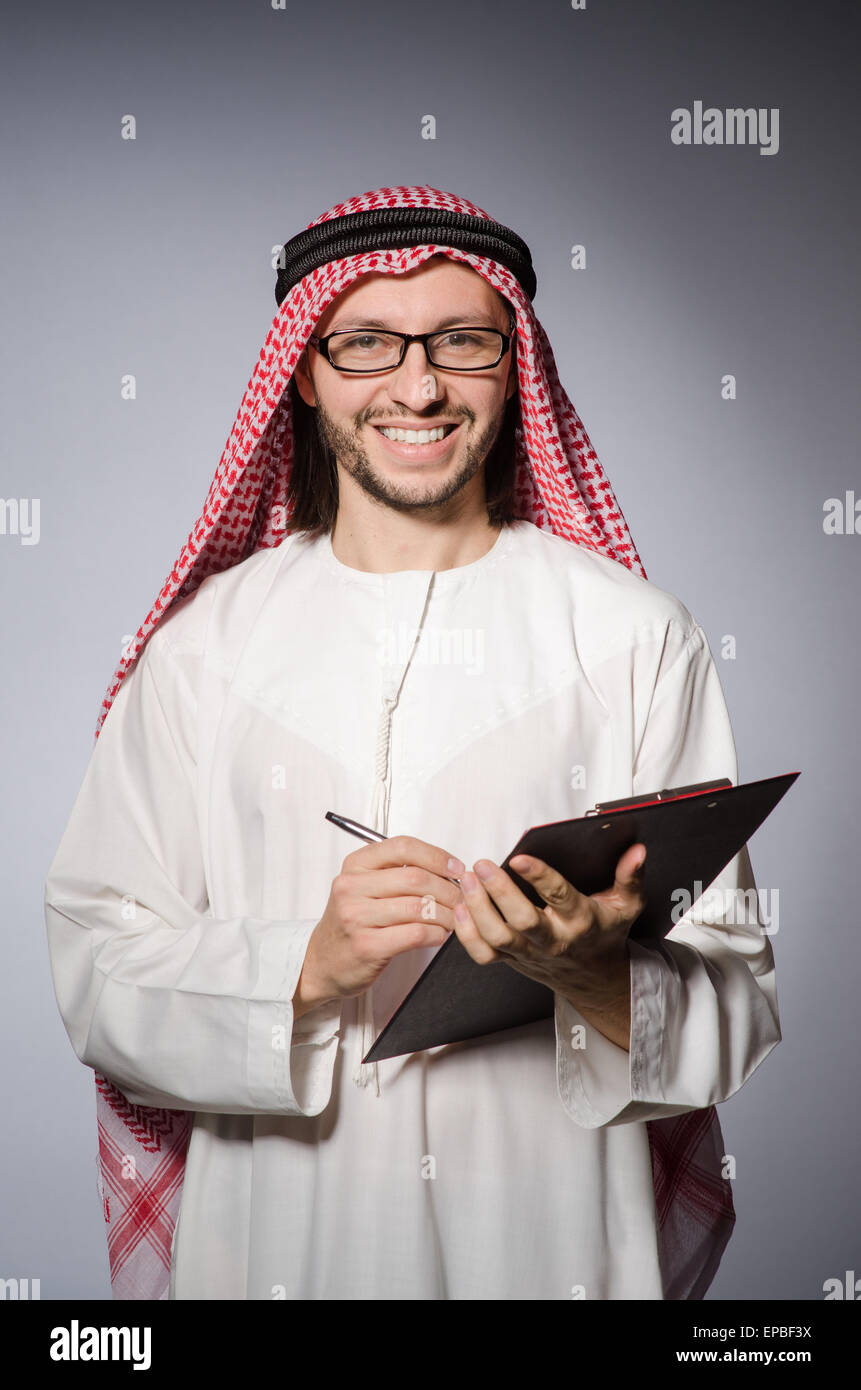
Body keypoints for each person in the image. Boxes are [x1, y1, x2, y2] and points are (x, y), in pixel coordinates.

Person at [43, 184, 781, 1301]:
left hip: (554, 1252)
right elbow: (97, 969)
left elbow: (740, 999)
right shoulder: (204, 654)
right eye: (369, 344)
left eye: (462, 341)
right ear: (304, 368)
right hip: (273, 1255)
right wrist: (306, 964)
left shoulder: (634, 637)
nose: (419, 383)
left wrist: (594, 974)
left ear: (514, 363)